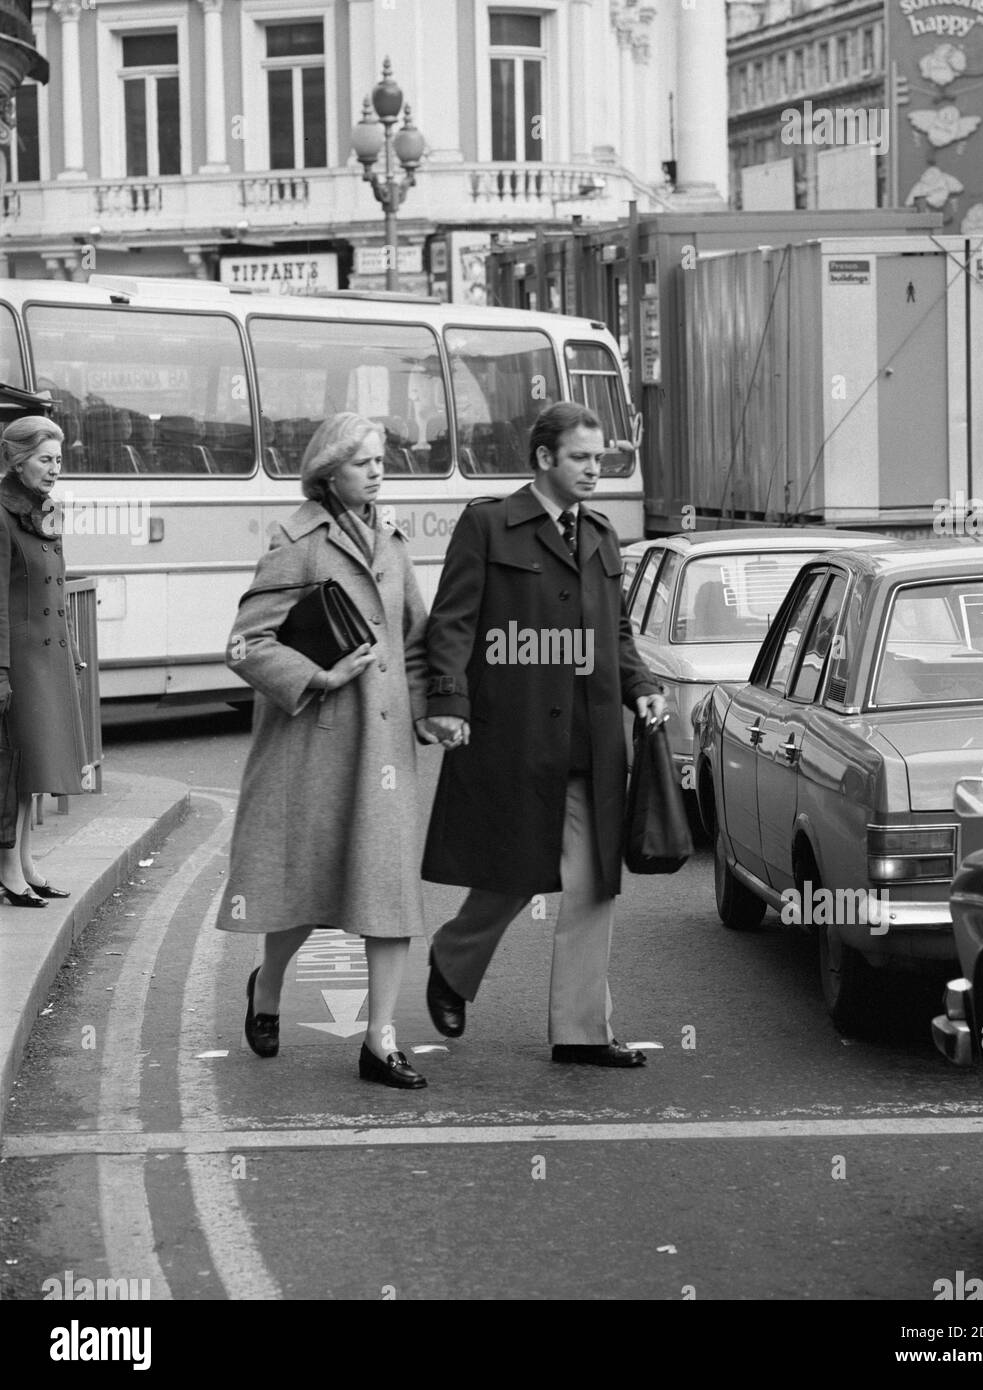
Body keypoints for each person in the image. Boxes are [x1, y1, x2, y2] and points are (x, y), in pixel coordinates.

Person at [420, 401, 667, 1067]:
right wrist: (449, 701)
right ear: (544, 459)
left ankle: (582, 1032)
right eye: (581, 458)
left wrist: (641, 689)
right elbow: (452, 624)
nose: (595, 470)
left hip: (592, 742)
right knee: (514, 872)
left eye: (600, 458)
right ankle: (453, 956)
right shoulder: (488, 525)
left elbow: (616, 636)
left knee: (593, 886)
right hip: (516, 737)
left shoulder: (604, 537)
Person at [215, 413, 437, 1089]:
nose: (377, 470)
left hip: (388, 749)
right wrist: (319, 676)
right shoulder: (298, 542)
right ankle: (268, 987)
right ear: (328, 474)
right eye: (363, 461)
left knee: (390, 893)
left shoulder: (394, 542)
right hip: (316, 742)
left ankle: (381, 1039)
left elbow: (417, 641)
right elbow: (245, 644)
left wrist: (434, 716)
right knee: (309, 891)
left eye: (380, 460)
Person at [0, 415, 89, 907]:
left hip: (49, 657)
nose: (54, 469)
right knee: (15, 769)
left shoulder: (45, 508)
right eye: (44, 459)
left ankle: (28, 864)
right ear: (17, 459)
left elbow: (57, 587)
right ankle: (9, 870)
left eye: (58, 460)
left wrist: (72, 648)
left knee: (35, 767)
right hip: (19, 661)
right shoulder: (1, 510)